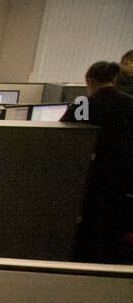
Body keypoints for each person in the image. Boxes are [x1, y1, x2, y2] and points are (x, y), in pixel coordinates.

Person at [61, 60, 133, 261]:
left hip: (92, 179)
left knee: (89, 230)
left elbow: (60, 137)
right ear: (114, 79)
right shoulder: (129, 102)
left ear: (90, 81)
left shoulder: (84, 105)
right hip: (123, 184)